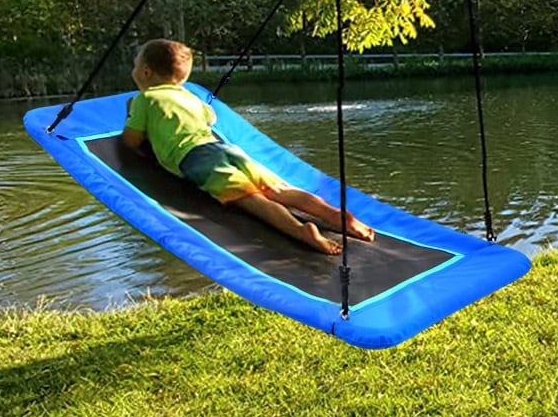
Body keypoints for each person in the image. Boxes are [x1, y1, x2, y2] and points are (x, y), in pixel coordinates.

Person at [121, 38, 373, 256]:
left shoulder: (145, 99)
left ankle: (301, 231)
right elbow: (210, 119)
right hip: (226, 149)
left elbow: (132, 140)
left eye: (134, 65)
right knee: (278, 189)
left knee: (251, 198)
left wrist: (134, 114)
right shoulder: (190, 96)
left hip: (197, 159)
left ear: (145, 72)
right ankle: (339, 217)